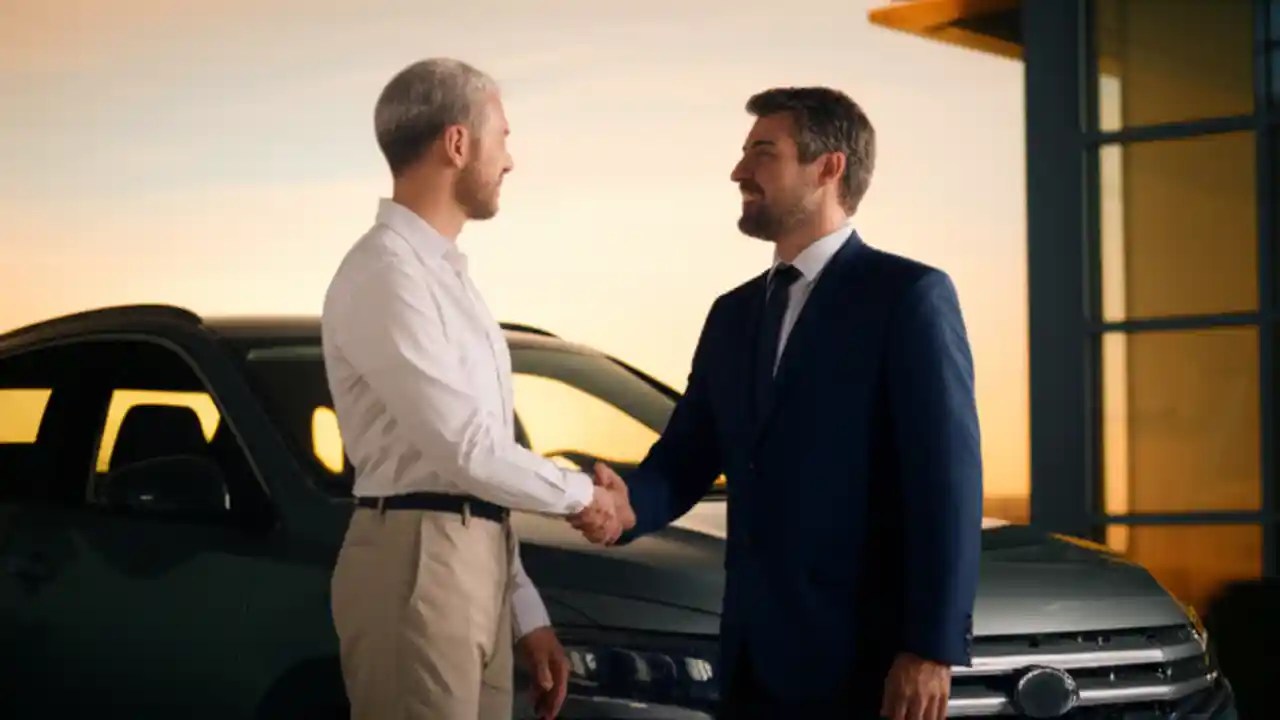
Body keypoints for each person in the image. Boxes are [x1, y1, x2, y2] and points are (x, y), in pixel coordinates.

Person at [571, 87, 983, 720]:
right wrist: (627, 506)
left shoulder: (909, 297)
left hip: (866, 671)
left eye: (763, 152)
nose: (739, 171)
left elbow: (948, 486)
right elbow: (686, 456)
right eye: (744, 154)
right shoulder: (733, 315)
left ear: (828, 167)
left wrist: (930, 648)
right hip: (750, 664)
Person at [321, 58, 629, 720]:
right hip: (417, 566)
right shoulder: (386, 274)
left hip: (466, 561)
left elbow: (471, 474)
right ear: (457, 144)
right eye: (504, 137)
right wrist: (584, 496)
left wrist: (524, 611)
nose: (510, 160)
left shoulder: (444, 278)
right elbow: (466, 452)